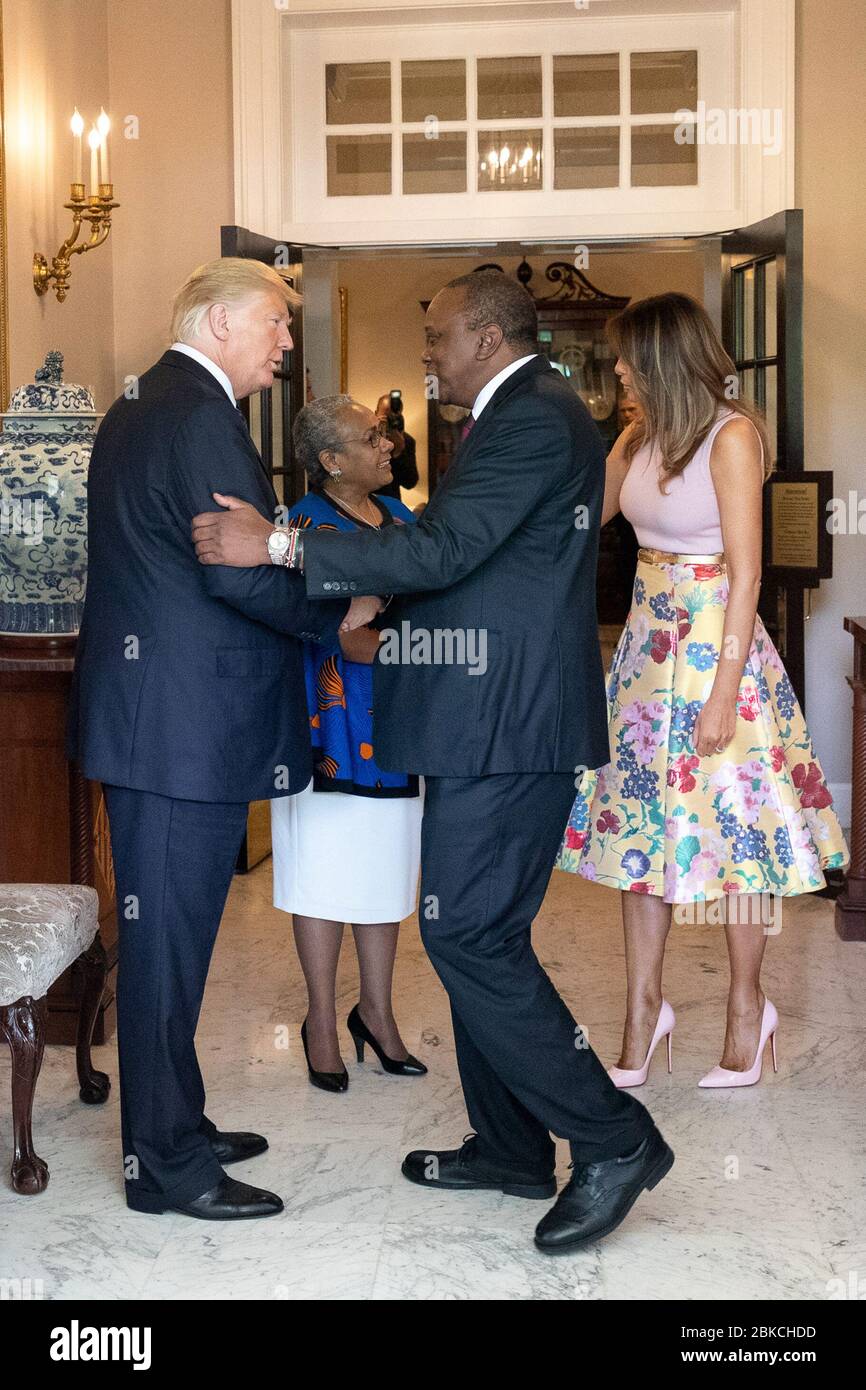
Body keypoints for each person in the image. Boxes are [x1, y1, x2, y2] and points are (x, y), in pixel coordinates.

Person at [191, 270, 674, 1255]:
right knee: (473, 932)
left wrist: (277, 541)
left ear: (489, 338)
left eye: (439, 334)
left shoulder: (534, 418)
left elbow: (444, 551)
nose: (427, 352)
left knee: (470, 939)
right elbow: (476, 567)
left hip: (507, 725)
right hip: (481, 720)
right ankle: (506, 1147)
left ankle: (614, 1139)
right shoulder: (523, 412)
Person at [67, 257, 374, 1220]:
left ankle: (177, 1127)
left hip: (164, 720)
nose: (289, 340)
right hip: (175, 731)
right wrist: (339, 603)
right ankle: (165, 1167)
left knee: (175, 946)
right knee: (166, 953)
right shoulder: (196, 415)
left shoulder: (149, 403)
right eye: (276, 323)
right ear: (214, 321)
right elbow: (233, 572)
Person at [557, 292, 849, 1089]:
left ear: (662, 357)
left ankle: (747, 1011)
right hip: (647, 653)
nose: (616, 368)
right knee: (639, 837)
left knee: (737, 842)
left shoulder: (732, 437)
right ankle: (643, 1009)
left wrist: (724, 692)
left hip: (719, 651)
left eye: (626, 357)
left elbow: (746, 572)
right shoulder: (635, 436)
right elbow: (579, 523)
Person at [274, 394, 426, 1091]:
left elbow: (420, 611)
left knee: (386, 868)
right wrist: (389, 638)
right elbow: (321, 628)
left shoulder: (401, 519)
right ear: (330, 461)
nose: (387, 443)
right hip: (323, 725)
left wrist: (386, 636)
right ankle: (321, 1023)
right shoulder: (301, 527)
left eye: (384, 433)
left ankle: (377, 1012)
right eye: (371, 437)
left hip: (395, 720)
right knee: (323, 872)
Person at [373, 391, 419, 500]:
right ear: (376, 414)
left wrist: (399, 452)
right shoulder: (366, 438)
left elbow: (410, 483)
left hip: (392, 502)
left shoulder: (406, 441)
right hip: (369, 500)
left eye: (393, 416)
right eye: (386, 415)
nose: (390, 420)